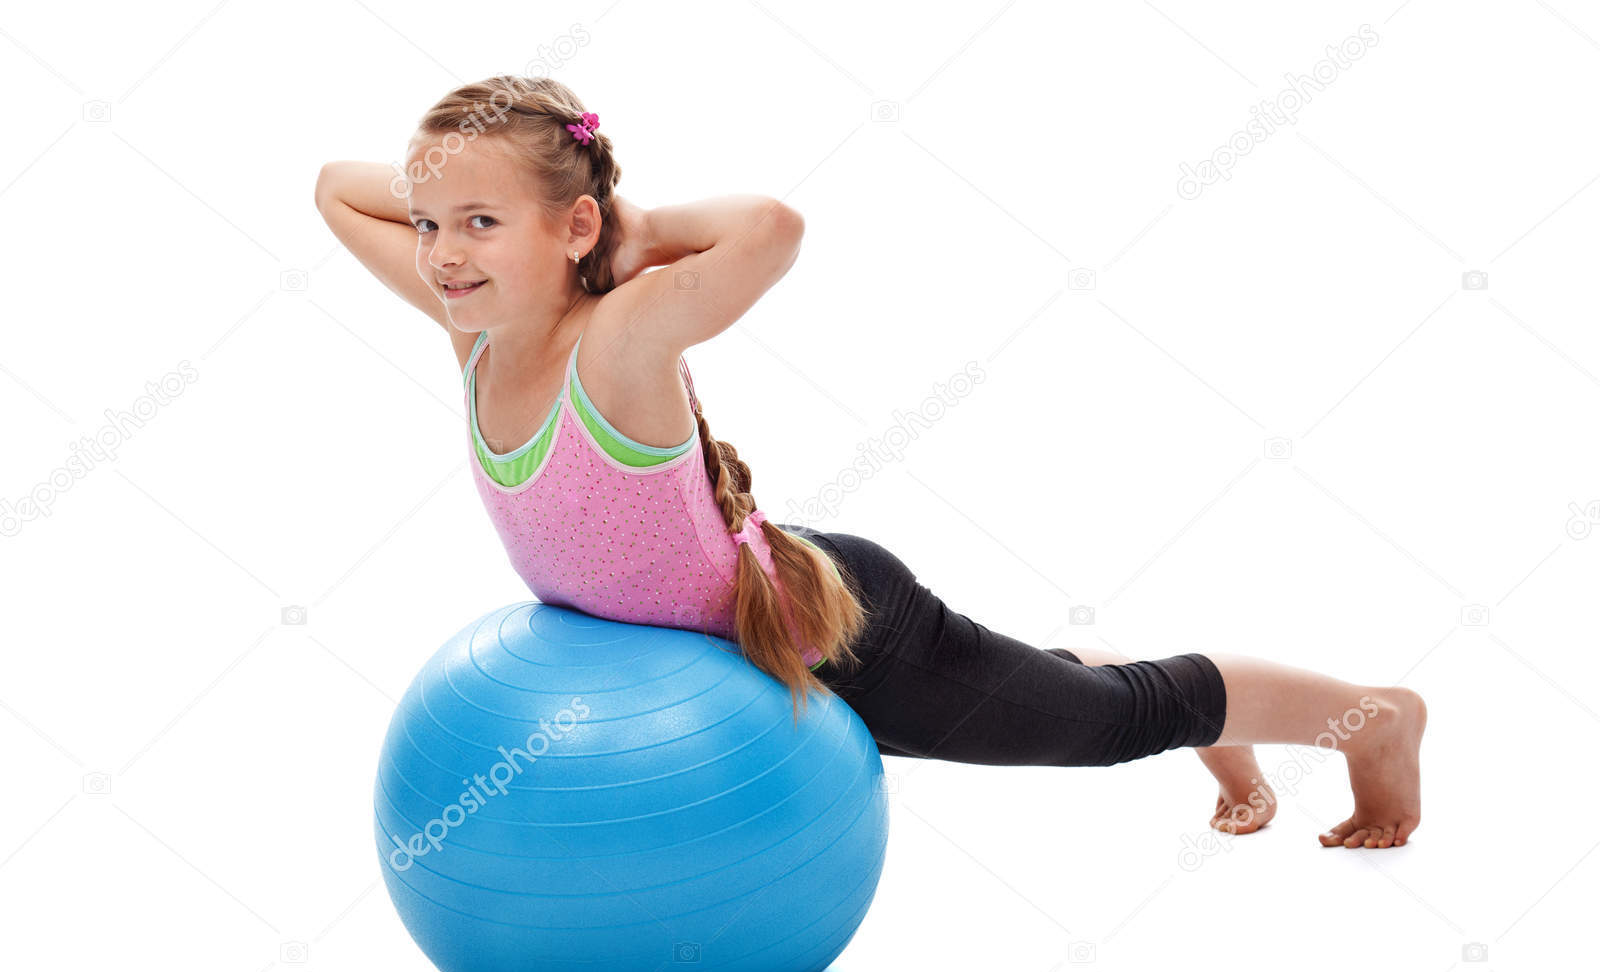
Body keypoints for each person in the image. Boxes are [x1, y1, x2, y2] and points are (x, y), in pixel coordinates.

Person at [315, 75, 1426, 848]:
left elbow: (772, 228)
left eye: (480, 222)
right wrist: (464, 178)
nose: (442, 254)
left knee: (1105, 725)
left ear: (575, 228)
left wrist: (635, 231)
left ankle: (1372, 720)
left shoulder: (618, 340)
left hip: (838, 633)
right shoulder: (476, 327)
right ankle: (1171, 703)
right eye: (429, 225)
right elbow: (332, 186)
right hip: (743, 652)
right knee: (1067, 689)